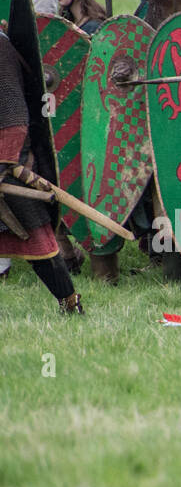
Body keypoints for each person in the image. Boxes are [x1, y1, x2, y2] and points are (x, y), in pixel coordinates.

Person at [0, 26, 82, 312]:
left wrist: (5, 162)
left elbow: (14, 116)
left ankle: (70, 302)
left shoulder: (0, 51)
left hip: (14, 163)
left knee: (38, 242)